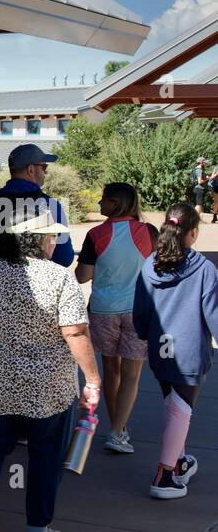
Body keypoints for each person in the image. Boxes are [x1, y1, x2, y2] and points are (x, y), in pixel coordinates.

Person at [0, 208, 101, 532]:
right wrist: (92, 379)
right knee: (45, 456)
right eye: (52, 236)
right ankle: (37, 529)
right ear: (39, 241)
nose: (55, 242)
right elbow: (75, 332)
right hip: (49, 388)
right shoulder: (60, 278)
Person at [132, 204, 218, 499]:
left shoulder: (149, 264)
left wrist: (145, 333)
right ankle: (164, 475)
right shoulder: (204, 269)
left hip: (160, 346)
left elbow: (141, 310)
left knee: (172, 404)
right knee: (181, 409)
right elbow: (214, 314)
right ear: (192, 233)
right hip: (189, 350)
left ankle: (179, 462)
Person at [75, 183, 155, 454]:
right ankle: (118, 431)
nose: (98, 204)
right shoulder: (149, 232)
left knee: (111, 371)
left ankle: (117, 428)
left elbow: (83, 276)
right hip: (138, 309)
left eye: (103, 200)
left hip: (103, 309)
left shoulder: (96, 234)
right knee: (132, 375)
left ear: (115, 203)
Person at [0, 143, 75, 280]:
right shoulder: (49, 205)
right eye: (44, 167)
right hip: (36, 290)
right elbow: (64, 258)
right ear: (30, 169)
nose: (45, 173)